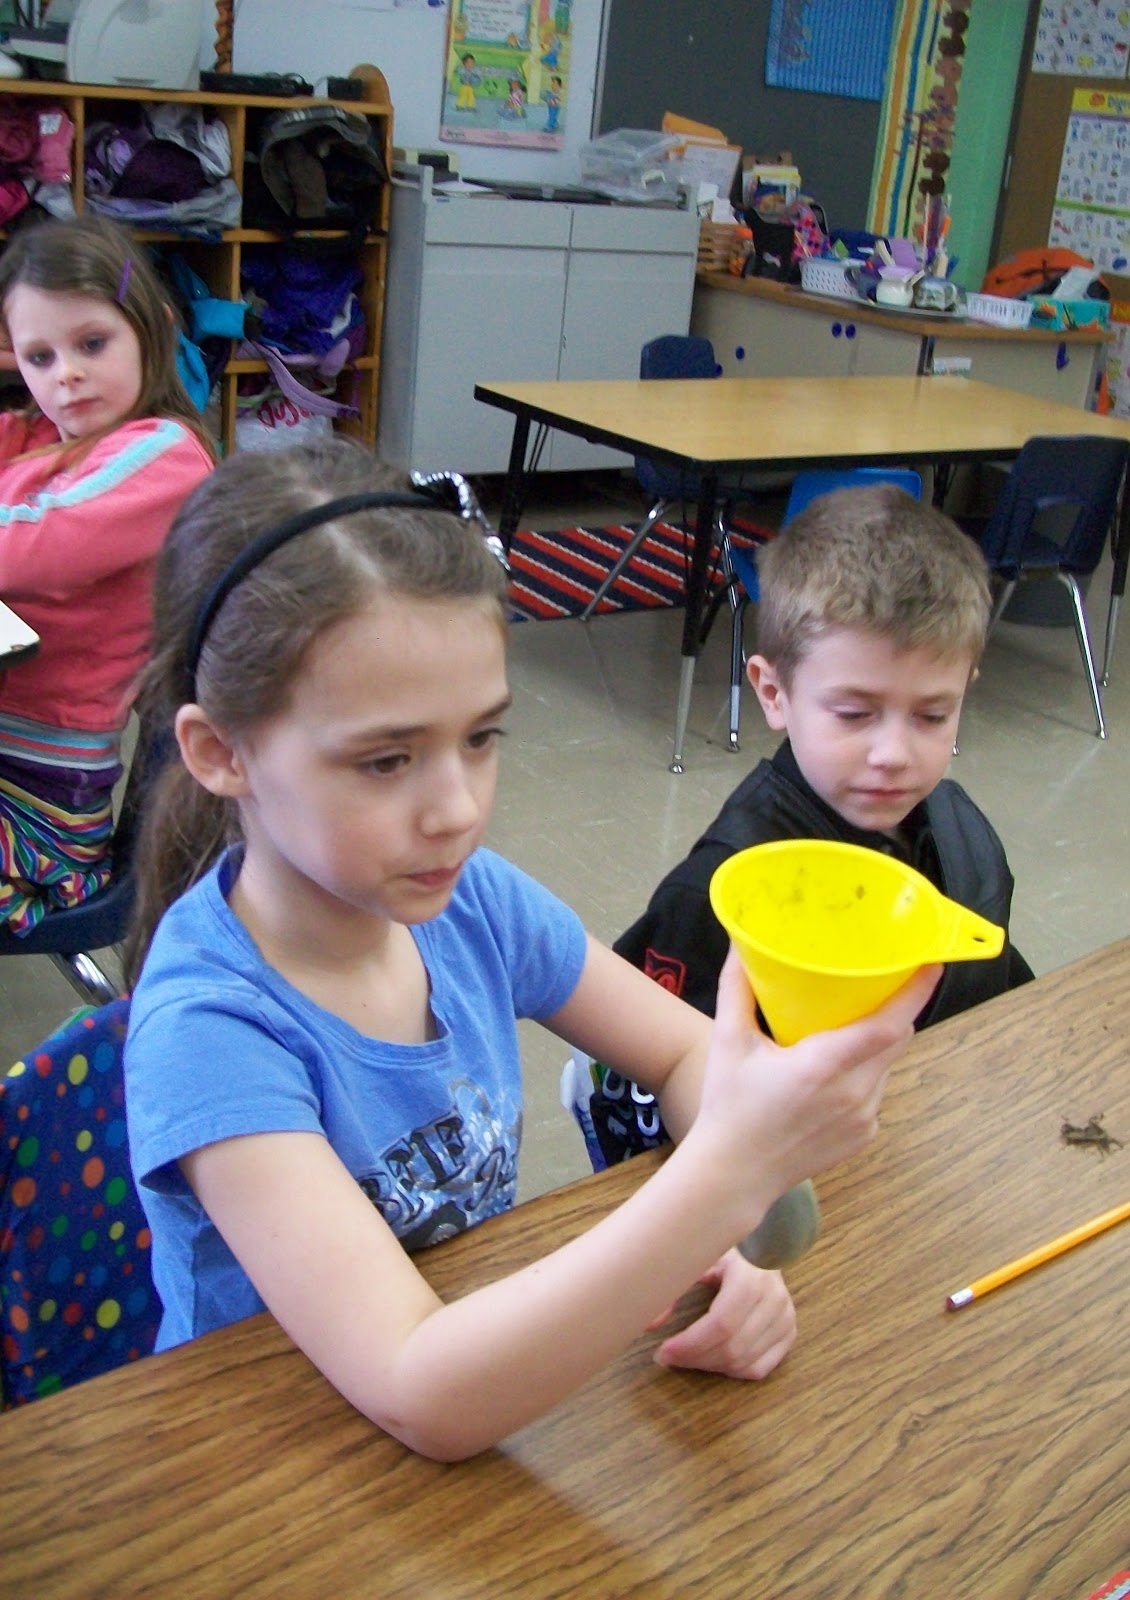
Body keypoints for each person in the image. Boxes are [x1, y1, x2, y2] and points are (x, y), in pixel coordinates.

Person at [122, 439, 938, 1462]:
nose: (458, 809)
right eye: (386, 759)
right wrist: (721, 1183)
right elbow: (423, 1391)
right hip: (273, 1471)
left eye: (483, 738)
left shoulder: (468, 905)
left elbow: (689, 1057)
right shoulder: (211, 1032)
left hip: (471, 1402)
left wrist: (721, 1239)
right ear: (220, 752)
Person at [584, 483, 1033, 1166]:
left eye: (932, 715)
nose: (894, 754)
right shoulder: (718, 893)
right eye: (854, 714)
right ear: (774, 693)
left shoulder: (965, 839)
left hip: (926, 1148)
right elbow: (650, 1097)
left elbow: (1005, 1007)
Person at [0, 213, 215, 933]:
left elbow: (38, 545)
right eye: (39, 356)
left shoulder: (163, 454)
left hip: (39, 812)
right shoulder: (33, 438)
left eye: (92, 343)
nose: (66, 375)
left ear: (151, 329)